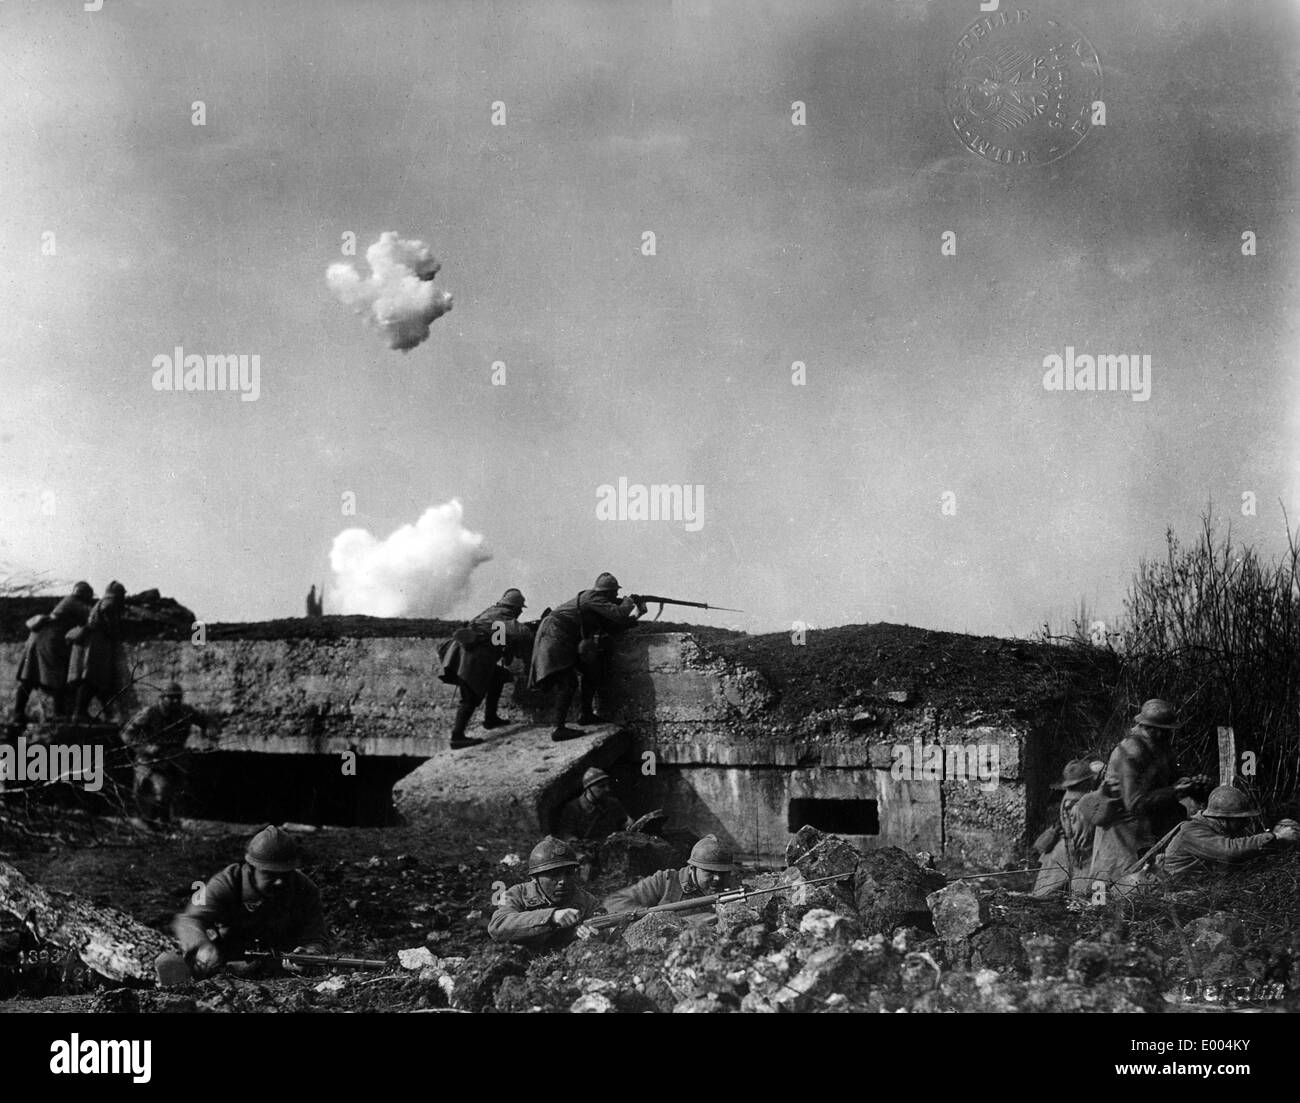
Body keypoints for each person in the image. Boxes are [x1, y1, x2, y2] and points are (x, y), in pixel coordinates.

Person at [162, 825, 330, 979]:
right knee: (171, 963)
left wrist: (309, 954)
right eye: (270, 874)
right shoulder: (226, 882)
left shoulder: (305, 889)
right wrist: (202, 947)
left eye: (285, 874)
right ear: (251, 867)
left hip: (280, 969)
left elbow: (316, 936)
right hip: (225, 965)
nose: (279, 882)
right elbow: (190, 920)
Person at [1088, 699, 1208, 895]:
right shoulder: (1130, 752)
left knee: (1143, 882)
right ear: (1153, 729)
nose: (1168, 734)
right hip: (1123, 826)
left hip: (1148, 824)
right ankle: (1097, 917)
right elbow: (1134, 803)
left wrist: (1191, 783)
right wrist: (1175, 790)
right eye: (1164, 730)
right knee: (1112, 877)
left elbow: (1171, 777)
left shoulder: (1160, 747)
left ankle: (1134, 918)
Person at [528, 573, 644, 742]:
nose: (616, 597)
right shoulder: (592, 597)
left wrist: (638, 614)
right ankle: (558, 728)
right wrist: (630, 601)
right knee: (567, 682)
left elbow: (612, 626)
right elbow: (618, 614)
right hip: (555, 636)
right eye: (615, 594)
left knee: (591, 672)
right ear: (608, 592)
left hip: (565, 638)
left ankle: (586, 714)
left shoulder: (596, 604)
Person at [437, 588, 534, 749]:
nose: (519, 613)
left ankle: (491, 718)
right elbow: (523, 633)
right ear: (515, 607)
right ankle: (457, 736)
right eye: (519, 609)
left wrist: (507, 649)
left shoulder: (493, 612)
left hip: (469, 658)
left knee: (499, 675)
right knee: (470, 697)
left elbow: (498, 640)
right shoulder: (503, 617)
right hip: (471, 662)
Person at [119, 683, 212, 824]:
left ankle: (163, 821)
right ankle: (151, 821)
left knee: (170, 793)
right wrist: (145, 747)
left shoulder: (185, 712)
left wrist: (207, 735)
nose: (175, 701)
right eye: (171, 697)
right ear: (162, 698)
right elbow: (126, 733)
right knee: (150, 793)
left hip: (173, 761)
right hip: (149, 761)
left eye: (178, 698)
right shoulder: (149, 713)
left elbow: (206, 722)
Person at [487, 836, 603, 949]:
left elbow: (609, 929)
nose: (562, 881)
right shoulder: (517, 894)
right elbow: (498, 926)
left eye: (568, 873)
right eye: (554, 875)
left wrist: (583, 933)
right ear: (534, 878)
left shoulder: (587, 901)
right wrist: (551, 917)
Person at [1162, 786, 1298, 879]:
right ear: (1223, 818)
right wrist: (1277, 836)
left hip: (1200, 886)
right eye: (1240, 819)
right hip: (1179, 889)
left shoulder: (1217, 829)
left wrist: (1274, 837)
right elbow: (1230, 851)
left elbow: (1244, 846)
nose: (1245, 823)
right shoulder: (1192, 831)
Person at [12, 582, 94, 727]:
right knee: (58, 676)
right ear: (85, 594)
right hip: (50, 642)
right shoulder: (73, 602)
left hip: (36, 639)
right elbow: (93, 615)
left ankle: (18, 713)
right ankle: (59, 714)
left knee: (29, 677)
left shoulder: (66, 602)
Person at [602, 835, 734, 914]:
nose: (717, 879)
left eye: (723, 873)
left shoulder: (734, 887)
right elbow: (614, 901)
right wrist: (653, 919)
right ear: (692, 868)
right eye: (709, 872)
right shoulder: (667, 882)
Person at [1032, 759, 1100, 898]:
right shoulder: (1082, 803)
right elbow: (1083, 836)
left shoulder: (1068, 796)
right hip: (1076, 851)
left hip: (1062, 847)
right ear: (1085, 782)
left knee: (1048, 890)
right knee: (1082, 892)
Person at [67, 581, 127, 722]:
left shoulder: (102, 603)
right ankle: (79, 713)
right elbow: (109, 624)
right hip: (96, 644)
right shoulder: (109, 604)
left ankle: (83, 713)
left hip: (95, 643)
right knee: (91, 678)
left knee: (93, 679)